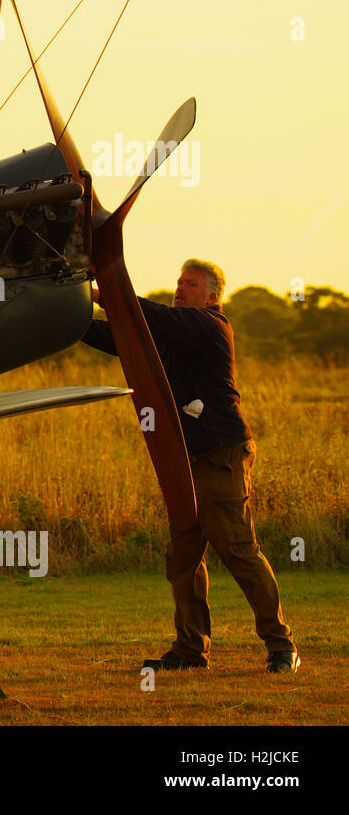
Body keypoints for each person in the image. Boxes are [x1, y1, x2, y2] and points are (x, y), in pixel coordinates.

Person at [82, 259, 299, 673]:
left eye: (191, 284)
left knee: (237, 549)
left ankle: (281, 646)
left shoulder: (209, 325)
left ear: (212, 297)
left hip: (222, 454)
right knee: (183, 557)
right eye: (179, 282)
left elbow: (149, 316)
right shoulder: (170, 332)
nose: (180, 288)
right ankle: (189, 652)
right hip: (186, 459)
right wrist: (66, 313)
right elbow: (120, 336)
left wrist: (98, 293)